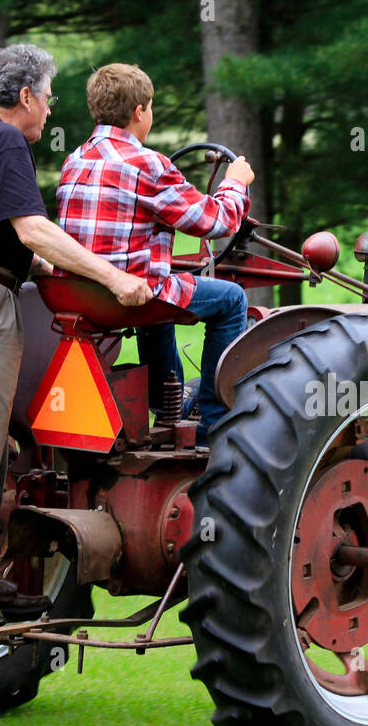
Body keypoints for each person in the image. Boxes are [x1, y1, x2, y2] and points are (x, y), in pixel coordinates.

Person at [0, 44, 154, 631]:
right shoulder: (6, 140)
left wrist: (42, 268)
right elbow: (34, 228)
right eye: (47, 96)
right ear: (25, 97)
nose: (49, 108)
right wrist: (113, 275)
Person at [55, 62, 253, 445]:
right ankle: (212, 419)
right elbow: (218, 222)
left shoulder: (75, 160)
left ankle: (169, 408)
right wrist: (235, 184)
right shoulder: (148, 164)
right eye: (151, 107)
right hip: (128, 293)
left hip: (81, 293)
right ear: (139, 111)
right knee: (231, 299)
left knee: (160, 299)